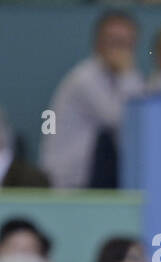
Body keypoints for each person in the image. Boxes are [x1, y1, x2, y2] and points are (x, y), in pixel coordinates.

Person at [39, 10, 145, 189]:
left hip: (97, 179)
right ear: (98, 43)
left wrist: (128, 75)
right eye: (113, 41)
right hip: (66, 182)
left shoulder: (128, 77)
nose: (119, 49)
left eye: (125, 43)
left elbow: (139, 124)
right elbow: (119, 118)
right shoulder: (84, 78)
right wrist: (128, 74)